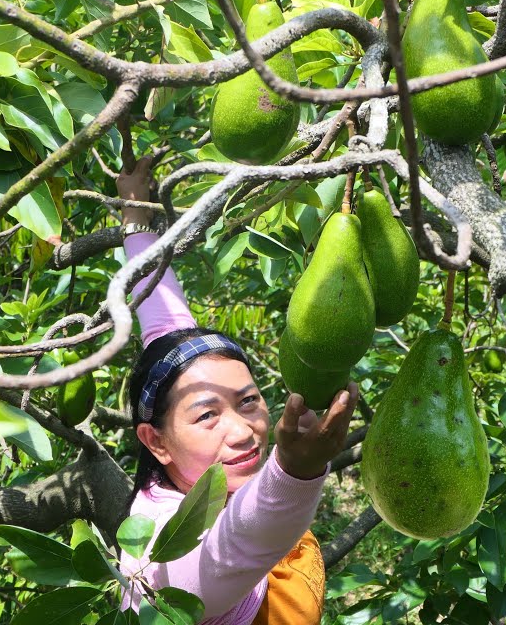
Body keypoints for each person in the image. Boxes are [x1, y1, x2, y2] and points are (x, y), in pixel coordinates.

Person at [115, 155, 359, 624]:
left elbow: (166, 326)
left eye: (247, 401)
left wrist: (135, 217)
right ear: (155, 441)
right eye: (207, 415)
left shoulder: (190, 463)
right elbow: (233, 548)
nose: (243, 432)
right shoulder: (156, 553)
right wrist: (293, 472)